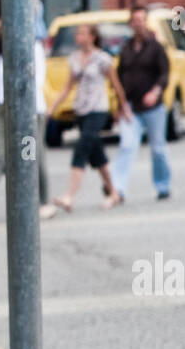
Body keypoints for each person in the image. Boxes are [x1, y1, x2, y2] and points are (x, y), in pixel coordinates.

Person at [0, 18, 58, 229]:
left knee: (31, 155)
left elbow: (35, 80)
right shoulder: (8, 48)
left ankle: (39, 202)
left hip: (28, 110)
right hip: (3, 108)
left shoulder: (33, 47)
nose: (1, 35)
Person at [48, 25, 130, 211]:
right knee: (97, 156)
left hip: (98, 109)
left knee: (82, 147)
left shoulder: (103, 59)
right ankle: (114, 193)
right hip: (81, 110)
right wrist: (53, 106)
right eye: (78, 33)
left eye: (83, 33)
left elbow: (116, 85)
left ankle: (69, 196)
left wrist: (122, 107)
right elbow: (68, 87)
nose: (79, 36)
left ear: (92, 37)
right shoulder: (75, 59)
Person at [109, 5, 171, 202]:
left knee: (158, 149)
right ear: (131, 24)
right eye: (135, 20)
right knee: (127, 146)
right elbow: (118, 78)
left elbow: (164, 74)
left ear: (146, 22)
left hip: (154, 107)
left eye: (142, 20)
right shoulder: (125, 49)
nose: (139, 24)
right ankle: (118, 188)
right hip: (131, 108)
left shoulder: (155, 47)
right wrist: (120, 106)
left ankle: (163, 185)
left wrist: (155, 92)